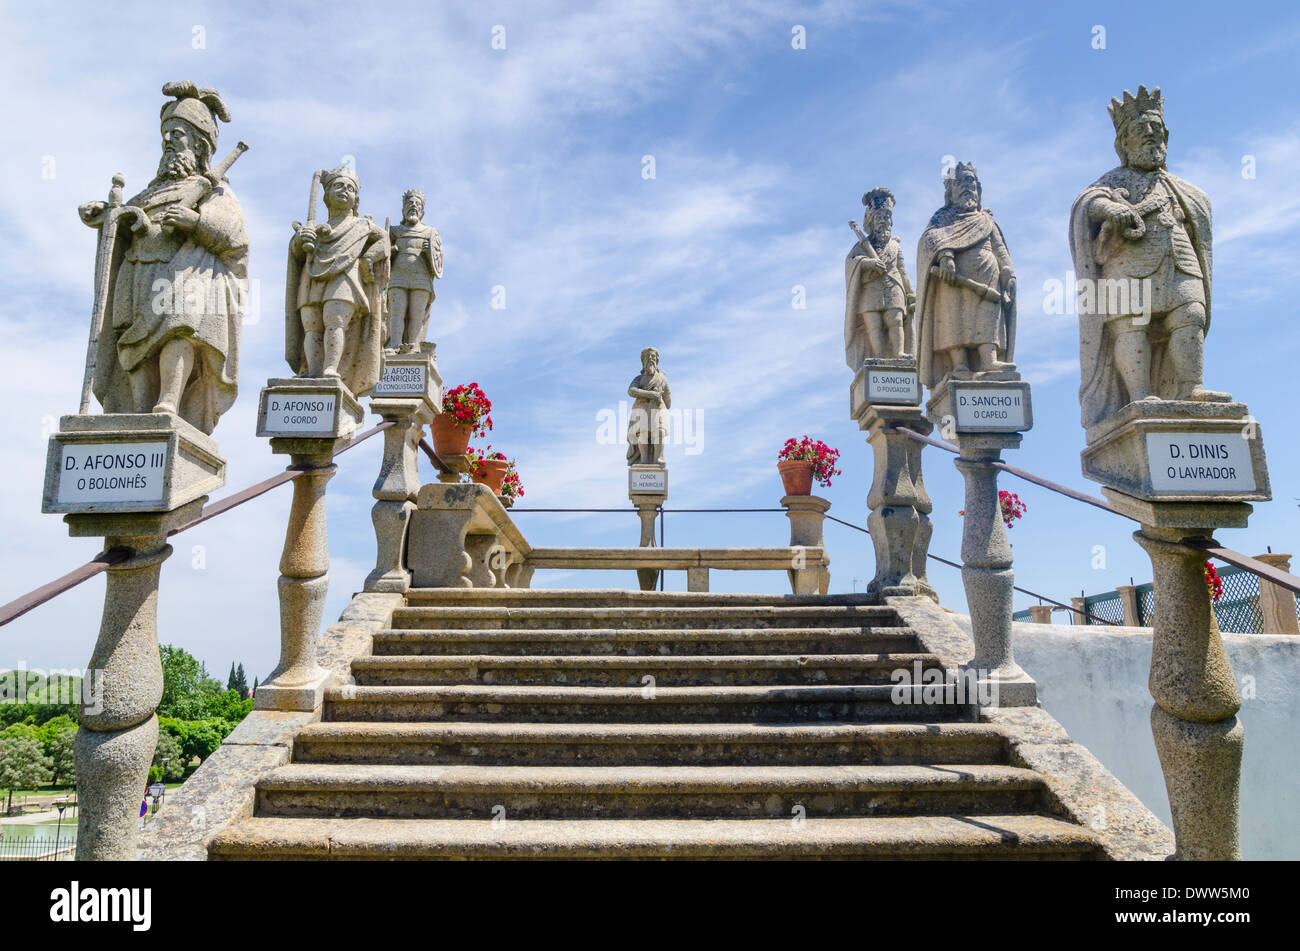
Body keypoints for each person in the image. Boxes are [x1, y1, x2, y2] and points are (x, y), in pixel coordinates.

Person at [77, 81, 247, 434]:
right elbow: (131, 221)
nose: (169, 140)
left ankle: (168, 400)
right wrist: (110, 216)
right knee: (132, 341)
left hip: (182, 275)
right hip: (138, 271)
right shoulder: (151, 192)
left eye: (179, 134)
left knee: (177, 329)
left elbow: (234, 236)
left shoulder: (213, 189)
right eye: (166, 133)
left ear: (199, 145)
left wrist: (196, 221)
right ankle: (138, 407)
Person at [1069, 85, 1224, 430]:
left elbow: (1199, 217)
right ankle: (1139, 393)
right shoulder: (1114, 180)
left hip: (1179, 260)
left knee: (1191, 314)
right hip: (1129, 265)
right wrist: (1112, 208)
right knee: (1131, 325)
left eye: (1158, 132)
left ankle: (1191, 387)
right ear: (1124, 143)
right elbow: (1088, 203)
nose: (1153, 138)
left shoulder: (1179, 187)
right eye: (1143, 131)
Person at [285, 165, 389, 396]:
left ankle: (331, 368)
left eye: (350, 188)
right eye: (338, 186)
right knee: (312, 325)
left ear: (356, 199)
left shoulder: (362, 225)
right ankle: (312, 371)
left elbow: (384, 240)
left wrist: (368, 259)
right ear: (326, 195)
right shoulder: (315, 229)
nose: (344, 191)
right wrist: (299, 240)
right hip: (312, 276)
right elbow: (297, 251)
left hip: (344, 277)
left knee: (335, 321)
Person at [914, 162, 1016, 387]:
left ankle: (989, 361)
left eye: (971, 181)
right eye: (961, 182)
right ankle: (959, 363)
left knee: (988, 319)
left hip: (988, 280)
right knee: (953, 319)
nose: (967, 186)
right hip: (954, 283)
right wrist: (946, 256)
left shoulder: (987, 220)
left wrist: (1009, 275)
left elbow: (1000, 250)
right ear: (950, 190)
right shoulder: (943, 218)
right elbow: (932, 239)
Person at [844, 186, 914, 367]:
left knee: (896, 319)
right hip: (870, 290)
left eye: (886, 218)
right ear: (872, 222)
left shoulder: (895, 246)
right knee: (874, 323)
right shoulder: (862, 245)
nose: (883, 221)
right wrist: (867, 263)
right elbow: (851, 262)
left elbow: (903, 270)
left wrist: (911, 293)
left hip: (893, 285)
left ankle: (898, 353)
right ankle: (880, 355)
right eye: (879, 218)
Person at [387, 188, 442, 351]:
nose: (413, 206)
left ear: (422, 210)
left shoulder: (430, 232)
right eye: (410, 203)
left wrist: (429, 251)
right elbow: (382, 255)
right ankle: (395, 344)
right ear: (403, 208)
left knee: (416, 314)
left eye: (417, 204)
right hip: (398, 275)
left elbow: (437, 261)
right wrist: (390, 251)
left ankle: (414, 346)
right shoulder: (393, 231)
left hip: (421, 277)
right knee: (397, 311)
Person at [626, 347, 670, 466]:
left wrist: (662, 391)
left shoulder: (662, 378)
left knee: (659, 432)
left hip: (657, 410)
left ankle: (658, 459)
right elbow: (631, 391)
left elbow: (668, 401)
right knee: (643, 433)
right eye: (648, 357)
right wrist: (651, 394)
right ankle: (644, 459)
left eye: (653, 357)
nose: (651, 359)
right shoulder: (639, 379)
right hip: (642, 410)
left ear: (657, 360)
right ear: (643, 361)